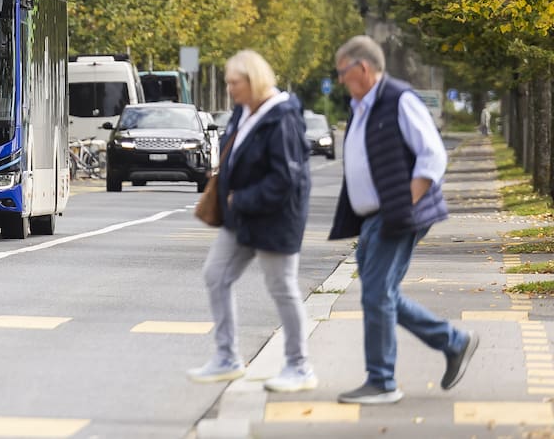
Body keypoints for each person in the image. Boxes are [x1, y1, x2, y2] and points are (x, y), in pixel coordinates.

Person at [329, 35, 477, 405]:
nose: (340, 79)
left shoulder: (399, 99)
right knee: (383, 293)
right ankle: (453, 341)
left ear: (362, 68)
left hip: (394, 214)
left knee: (378, 293)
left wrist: (403, 202)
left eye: (342, 72)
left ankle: (382, 381)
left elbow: (433, 156)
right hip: (374, 216)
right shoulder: (362, 105)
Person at [188, 50, 316, 393]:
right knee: (215, 275)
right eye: (227, 82)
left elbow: (286, 178)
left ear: (254, 80)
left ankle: (299, 366)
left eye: (234, 82)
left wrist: (241, 198)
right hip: (241, 218)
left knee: (282, 288)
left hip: (275, 218)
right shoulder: (245, 112)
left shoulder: (282, 117)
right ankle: (227, 357)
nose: (230, 89)